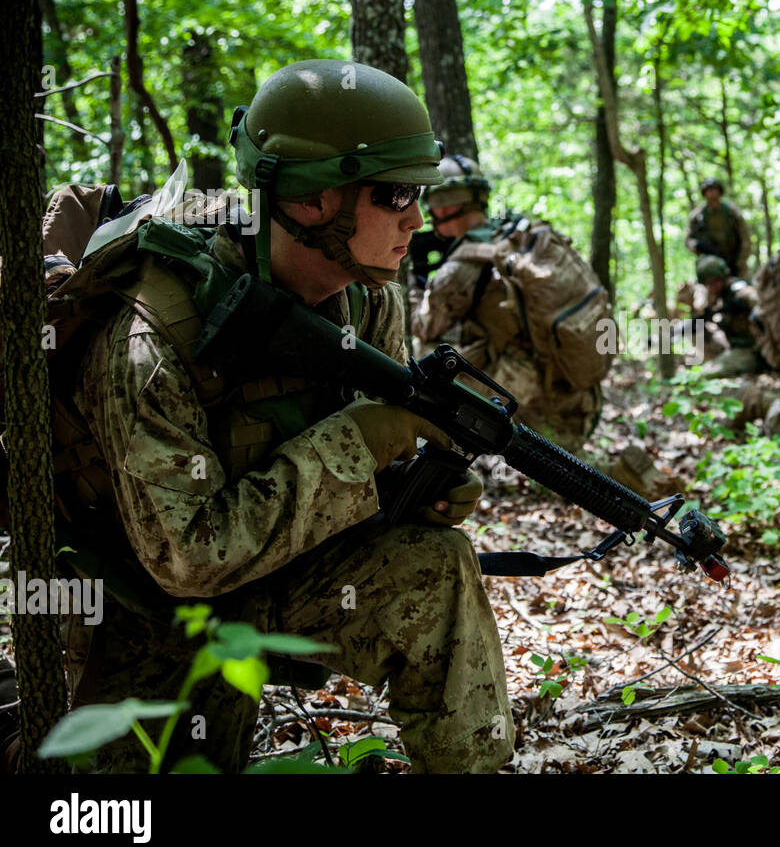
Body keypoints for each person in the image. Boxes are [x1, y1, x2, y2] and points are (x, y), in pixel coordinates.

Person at [56, 60, 513, 774]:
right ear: (311, 202)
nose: (417, 221)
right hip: (144, 609)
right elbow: (187, 558)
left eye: (419, 196)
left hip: (281, 572)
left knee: (438, 567)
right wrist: (357, 447)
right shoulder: (151, 336)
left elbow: (365, 470)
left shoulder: (369, 297)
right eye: (395, 195)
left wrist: (414, 488)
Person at [410, 155, 602, 455]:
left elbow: (423, 324)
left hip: (534, 401)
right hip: (573, 390)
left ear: (445, 205)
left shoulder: (463, 264)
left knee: (426, 355)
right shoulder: (511, 237)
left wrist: (416, 283)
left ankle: (445, 450)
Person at [691, 255, 762, 377]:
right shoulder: (717, 298)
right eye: (707, 283)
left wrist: (742, 304)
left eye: (714, 281)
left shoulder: (737, 289)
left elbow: (756, 299)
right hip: (734, 346)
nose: (711, 287)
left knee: (703, 375)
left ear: (722, 278)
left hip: (751, 350)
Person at [686, 178, 751, 279]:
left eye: (714, 189)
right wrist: (698, 246)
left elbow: (745, 238)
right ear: (704, 193)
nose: (711, 193)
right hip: (708, 263)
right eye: (708, 190)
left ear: (719, 191)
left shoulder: (732, 212)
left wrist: (740, 261)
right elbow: (688, 240)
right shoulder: (697, 216)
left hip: (733, 261)